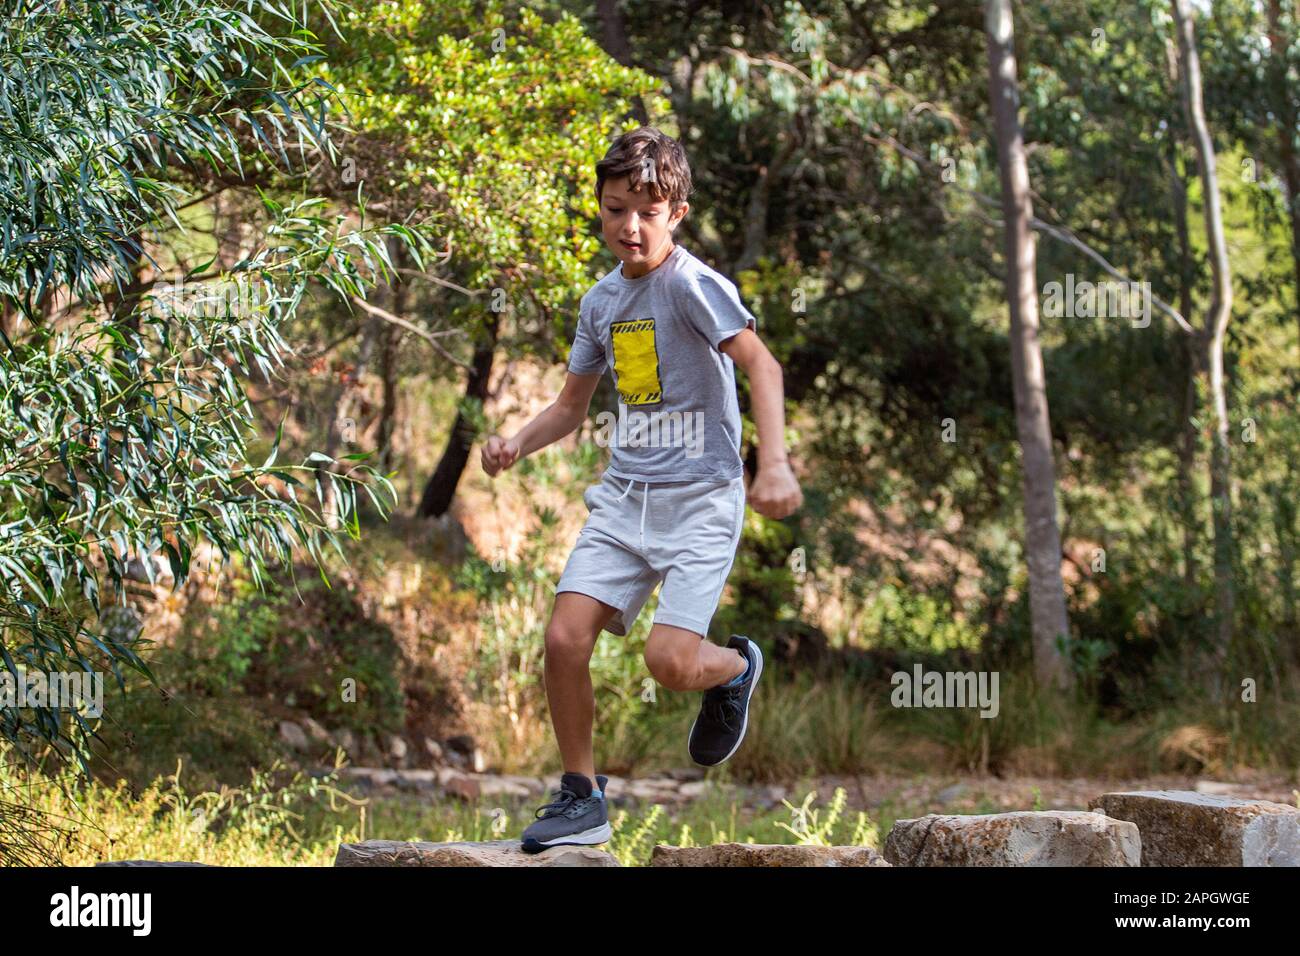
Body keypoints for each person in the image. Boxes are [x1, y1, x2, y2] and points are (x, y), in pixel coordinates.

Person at [479, 126, 802, 853]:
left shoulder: (693, 285)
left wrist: (773, 464)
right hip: (627, 497)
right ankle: (580, 794)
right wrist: (515, 444)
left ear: (675, 214)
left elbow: (765, 367)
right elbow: (571, 407)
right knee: (564, 639)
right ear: (599, 208)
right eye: (615, 208)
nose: (629, 226)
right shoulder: (600, 304)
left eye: (647, 212)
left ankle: (735, 668)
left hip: (701, 500)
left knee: (670, 662)